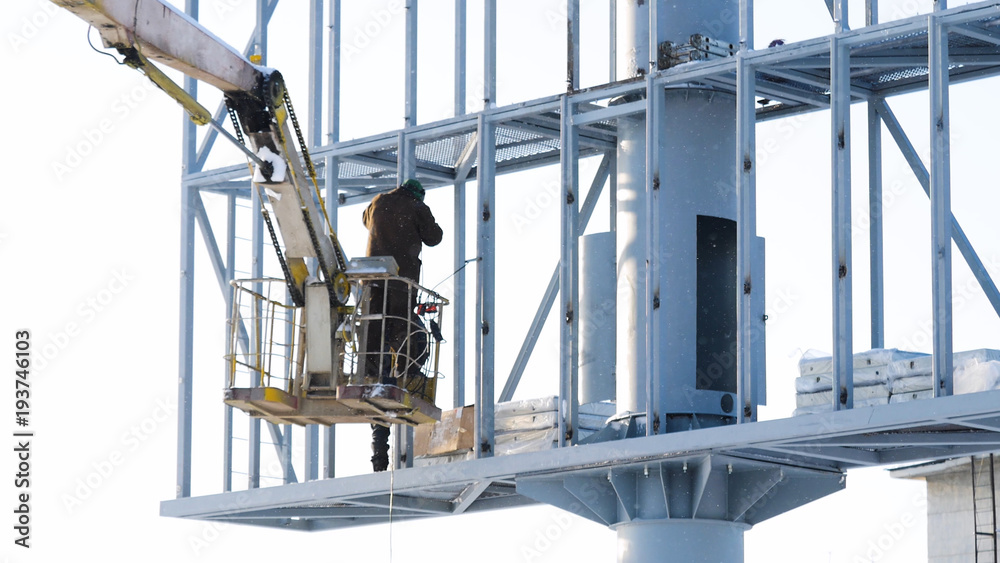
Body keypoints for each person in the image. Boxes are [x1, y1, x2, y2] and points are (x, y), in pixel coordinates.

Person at [361, 178, 442, 472]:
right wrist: (418, 219)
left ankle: (371, 373)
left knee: (373, 331)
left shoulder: (378, 201)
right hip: (400, 283)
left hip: (370, 281)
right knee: (404, 332)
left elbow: (365, 220)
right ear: (418, 195)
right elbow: (434, 237)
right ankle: (406, 373)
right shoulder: (416, 206)